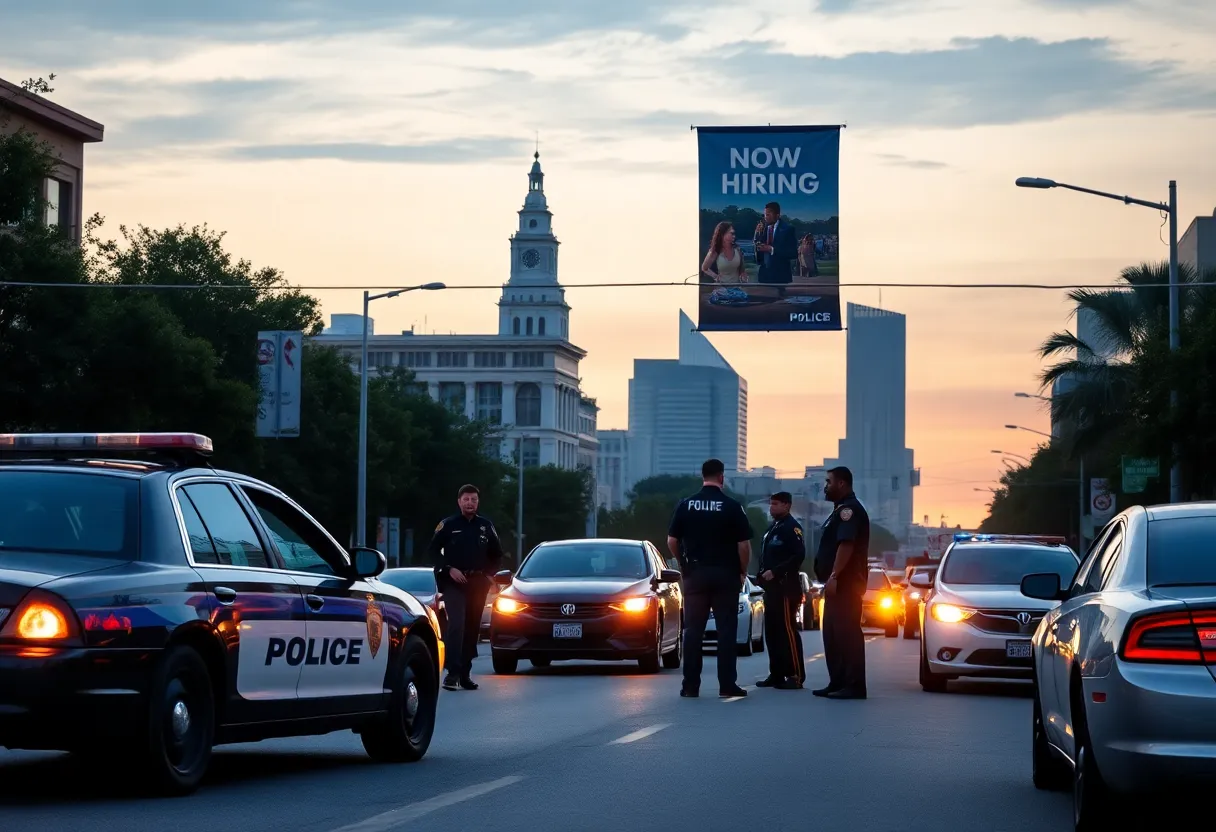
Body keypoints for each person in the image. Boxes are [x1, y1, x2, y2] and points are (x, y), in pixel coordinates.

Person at [667, 459, 752, 699]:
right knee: (726, 631)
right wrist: (742, 570)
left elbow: (671, 541)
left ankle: (690, 686)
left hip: (695, 575)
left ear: (702, 476)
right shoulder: (732, 506)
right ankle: (727, 685)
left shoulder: (686, 505)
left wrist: (683, 565)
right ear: (722, 477)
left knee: (693, 631)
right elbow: (744, 545)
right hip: (726, 575)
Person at [428, 484, 504, 691]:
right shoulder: (448, 525)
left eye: (473, 500)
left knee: (472, 628)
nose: (470, 503)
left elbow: (497, 555)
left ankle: (465, 673)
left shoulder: (486, 526)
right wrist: (449, 568)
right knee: (457, 625)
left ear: (478, 502)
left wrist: (489, 576)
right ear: (459, 502)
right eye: (466, 499)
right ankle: (452, 673)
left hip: (477, 583)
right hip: (453, 582)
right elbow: (433, 551)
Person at [812, 466, 871, 700]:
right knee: (832, 635)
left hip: (846, 584)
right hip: (835, 585)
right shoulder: (838, 511)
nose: (825, 486)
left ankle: (854, 685)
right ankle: (837, 682)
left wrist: (835, 575)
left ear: (842, 484)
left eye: (828, 481)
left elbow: (846, 545)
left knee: (847, 634)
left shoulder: (850, 511)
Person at [755, 492, 806, 690]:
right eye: (771, 504)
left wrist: (775, 572)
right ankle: (776, 673)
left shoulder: (792, 528)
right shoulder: (773, 528)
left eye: (775, 504)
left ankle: (795, 675)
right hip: (771, 589)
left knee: (787, 631)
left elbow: (798, 556)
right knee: (773, 632)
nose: (771, 507)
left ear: (787, 505)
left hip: (785, 587)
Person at [752, 201, 797, 287]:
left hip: (780, 274)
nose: (766, 217)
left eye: (768, 214)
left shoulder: (788, 229)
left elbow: (793, 253)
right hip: (764, 274)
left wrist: (771, 249)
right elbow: (757, 246)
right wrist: (756, 234)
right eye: (765, 214)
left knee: (780, 299)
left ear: (777, 215)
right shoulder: (762, 228)